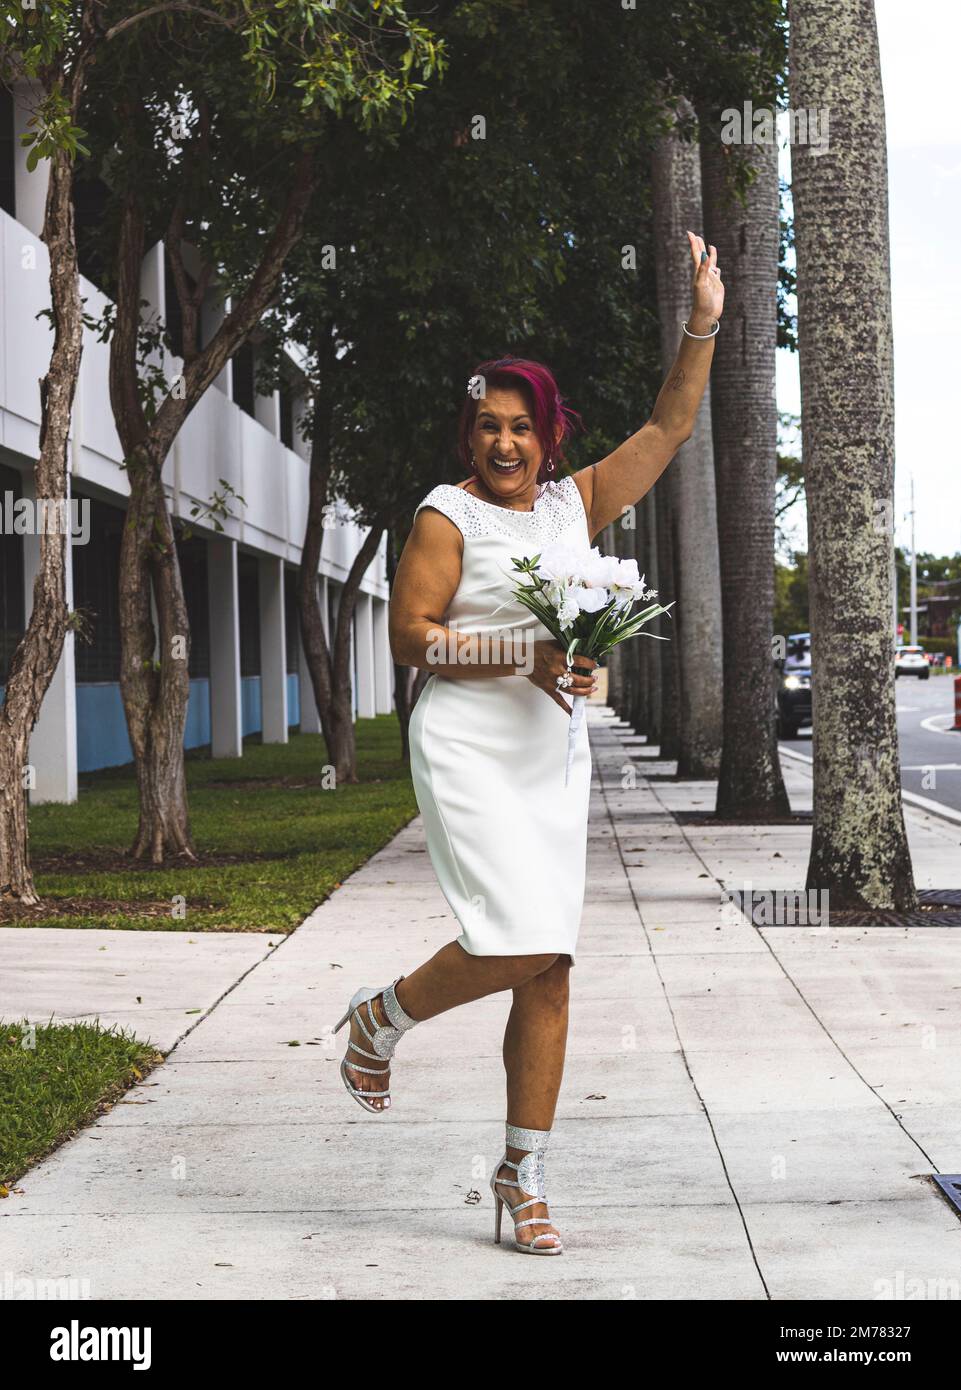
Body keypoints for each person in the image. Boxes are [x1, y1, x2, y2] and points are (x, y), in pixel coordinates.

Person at [335, 231, 724, 1254]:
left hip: (549, 753)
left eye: (519, 427)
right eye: (485, 426)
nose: (501, 443)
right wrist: (530, 655)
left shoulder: (575, 504)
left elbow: (669, 425)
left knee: (550, 965)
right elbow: (410, 636)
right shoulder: (444, 517)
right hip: (467, 745)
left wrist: (704, 320)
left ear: (549, 435)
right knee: (513, 940)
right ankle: (382, 1017)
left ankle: (523, 1175)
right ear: (468, 436)